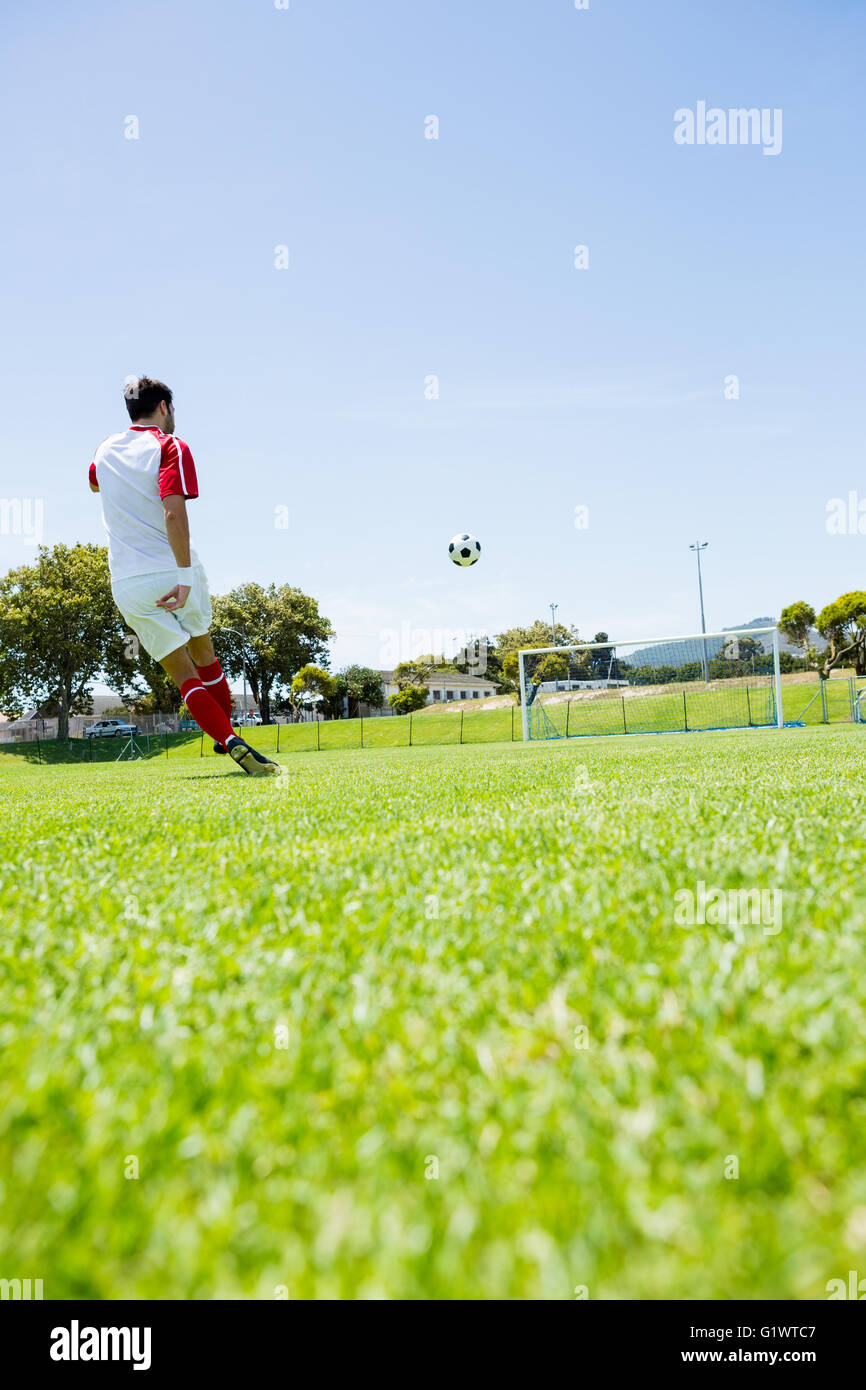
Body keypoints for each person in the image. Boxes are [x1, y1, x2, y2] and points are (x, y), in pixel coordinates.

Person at [89, 377, 280, 777]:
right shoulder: (169, 445)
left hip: (127, 584)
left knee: (182, 675)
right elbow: (173, 512)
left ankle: (228, 740)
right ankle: (224, 731)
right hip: (172, 570)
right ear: (163, 407)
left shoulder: (104, 450)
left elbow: (93, 481)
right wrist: (184, 575)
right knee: (205, 655)